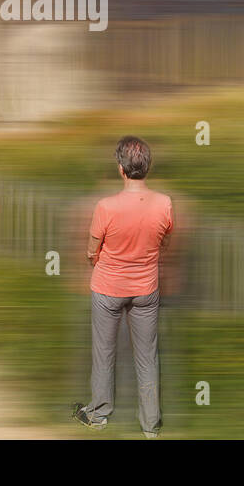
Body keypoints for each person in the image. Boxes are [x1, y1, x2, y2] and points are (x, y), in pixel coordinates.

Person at [73, 135, 174, 437]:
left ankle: (100, 414)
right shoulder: (165, 204)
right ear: (148, 167)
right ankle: (151, 425)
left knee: (104, 352)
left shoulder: (106, 207)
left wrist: (95, 258)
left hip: (107, 288)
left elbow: (93, 247)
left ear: (121, 168)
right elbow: (163, 242)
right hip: (146, 289)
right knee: (147, 355)